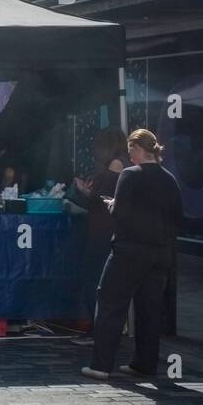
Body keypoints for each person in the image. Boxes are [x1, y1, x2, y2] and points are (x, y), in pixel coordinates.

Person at [81, 130, 183, 381]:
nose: (129, 154)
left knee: (110, 303)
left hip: (129, 250)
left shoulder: (129, 174)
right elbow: (178, 216)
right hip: (160, 253)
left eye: (130, 149)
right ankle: (144, 364)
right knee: (150, 309)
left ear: (138, 149)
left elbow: (121, 214)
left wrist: (112, 204)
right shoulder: (170, 179)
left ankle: (101, 365)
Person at [71, 128, 129, 342]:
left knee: (94, 279)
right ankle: (107, 327)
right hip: (110, 229)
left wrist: (83, 190)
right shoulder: (124, 163)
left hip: (103, 230)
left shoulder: (116, 165)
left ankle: (98, 329)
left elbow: (103, 197)